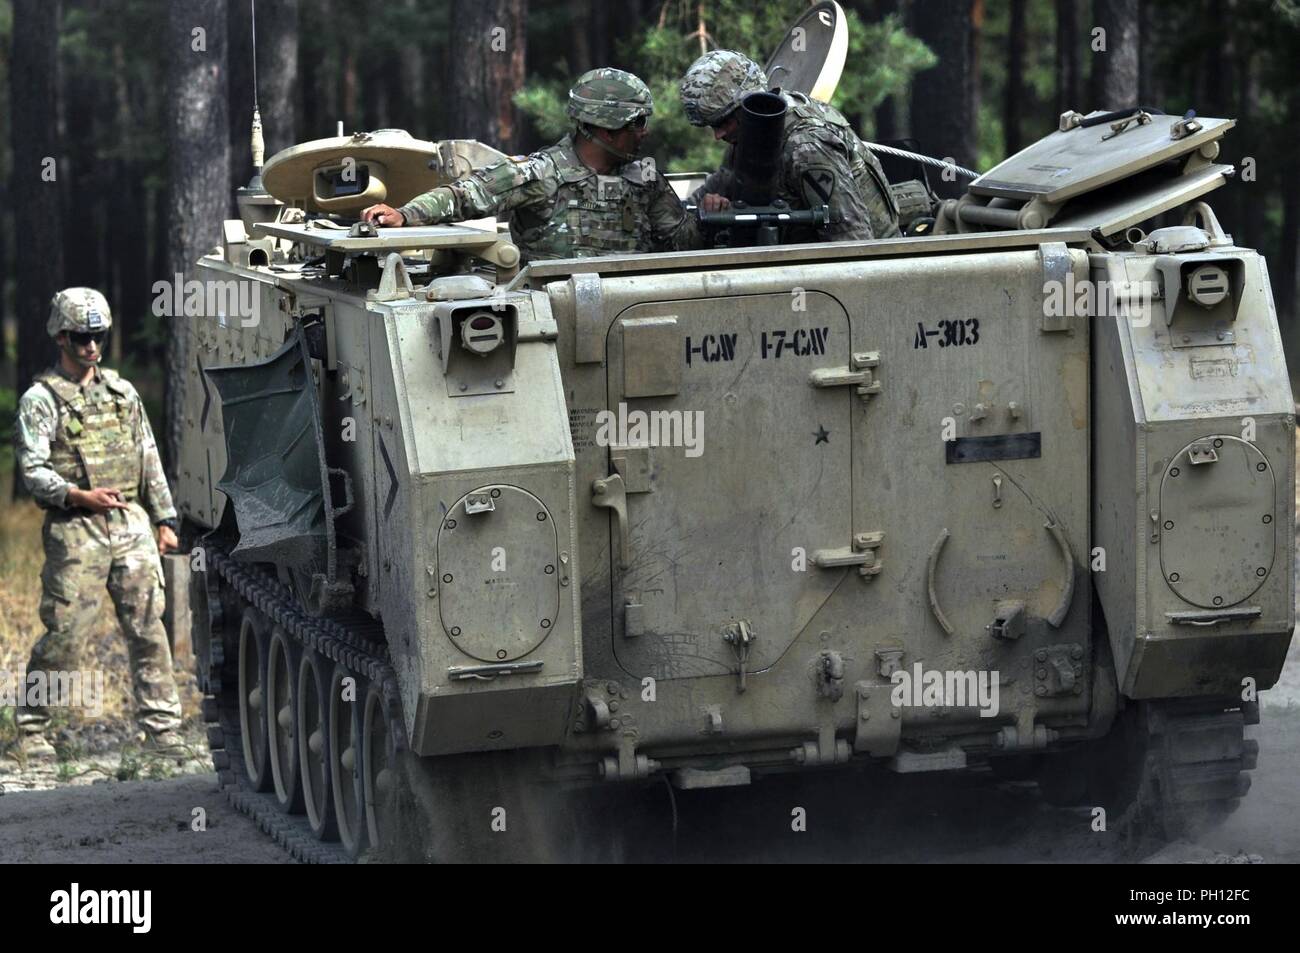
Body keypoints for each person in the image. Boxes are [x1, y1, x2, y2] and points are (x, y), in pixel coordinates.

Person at [13, 288, 183, 758]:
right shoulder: (41, 400)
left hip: (130, 524)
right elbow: (32, 469)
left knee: (149, 627)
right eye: (83, 338)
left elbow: (148, 455)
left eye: (99, 337)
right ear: (62, 337)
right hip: (77, 530)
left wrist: (165, 519)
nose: (92, 346)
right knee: (66, 633)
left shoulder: (121, 392)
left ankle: (162, 727)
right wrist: (75, 494)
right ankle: (31, 729)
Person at [363, 68, 702, 260]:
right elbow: (465, 195)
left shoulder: (645, 179)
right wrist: (405, 214)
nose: (645, 133)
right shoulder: (541, 173)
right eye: (638, 123)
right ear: (607, 130)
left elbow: (685, 242)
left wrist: (716, 209)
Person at [679, 49, 901, 242]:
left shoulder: (807, 147)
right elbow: (708, 194)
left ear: (751, 103)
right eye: (712, 126)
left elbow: (852, 243)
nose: (718, 135)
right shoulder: (751, 134)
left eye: (723, 121)